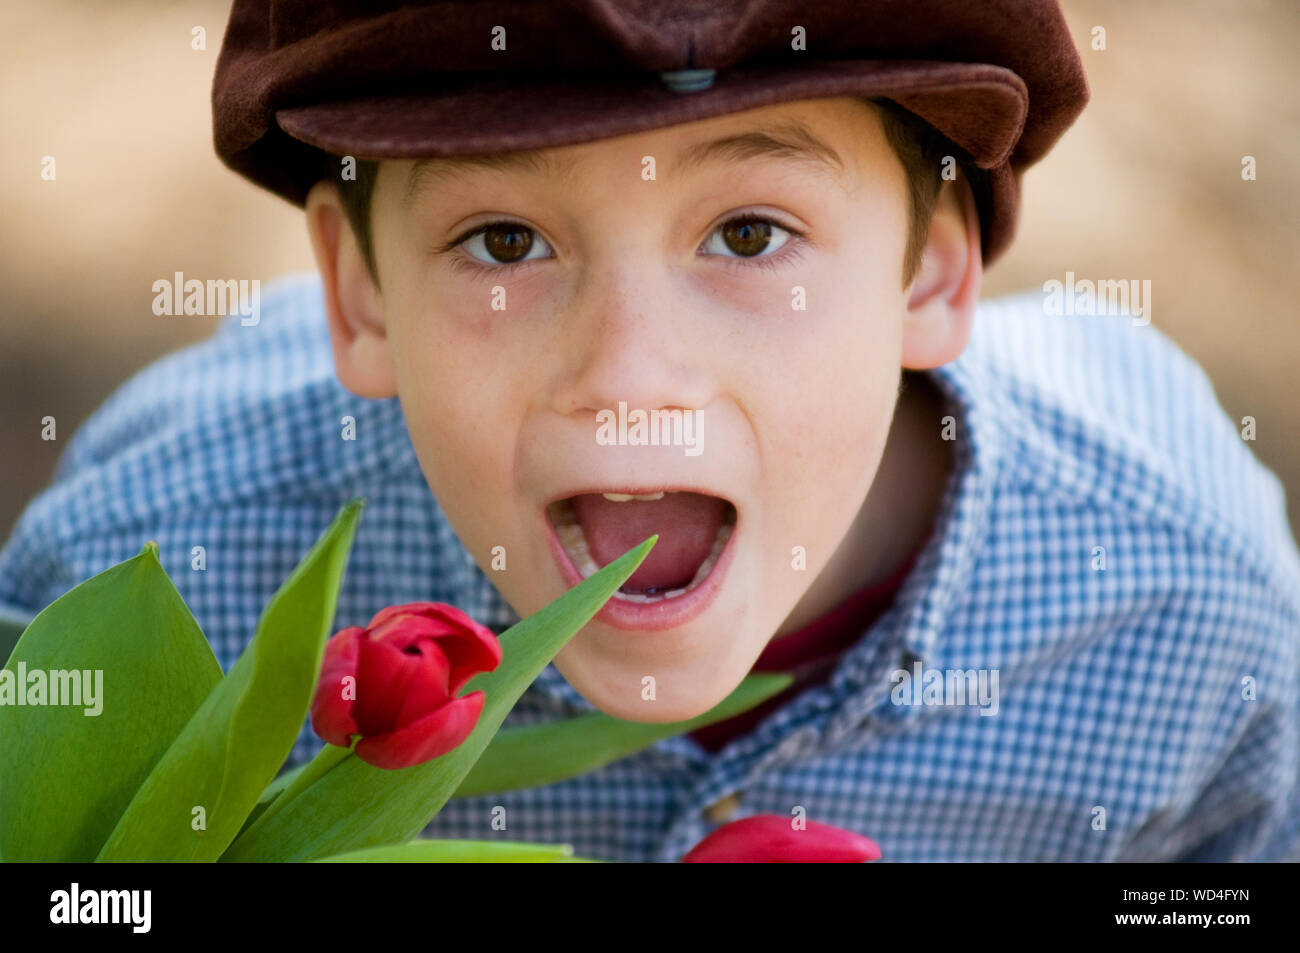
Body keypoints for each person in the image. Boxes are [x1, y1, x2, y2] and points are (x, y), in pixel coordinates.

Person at [2, 0, 1297, 862]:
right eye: (504, 240)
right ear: (358, 296)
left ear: (934, 272)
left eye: (749, 233)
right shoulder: (157, 585)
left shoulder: (1192, 614)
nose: (627, 374)